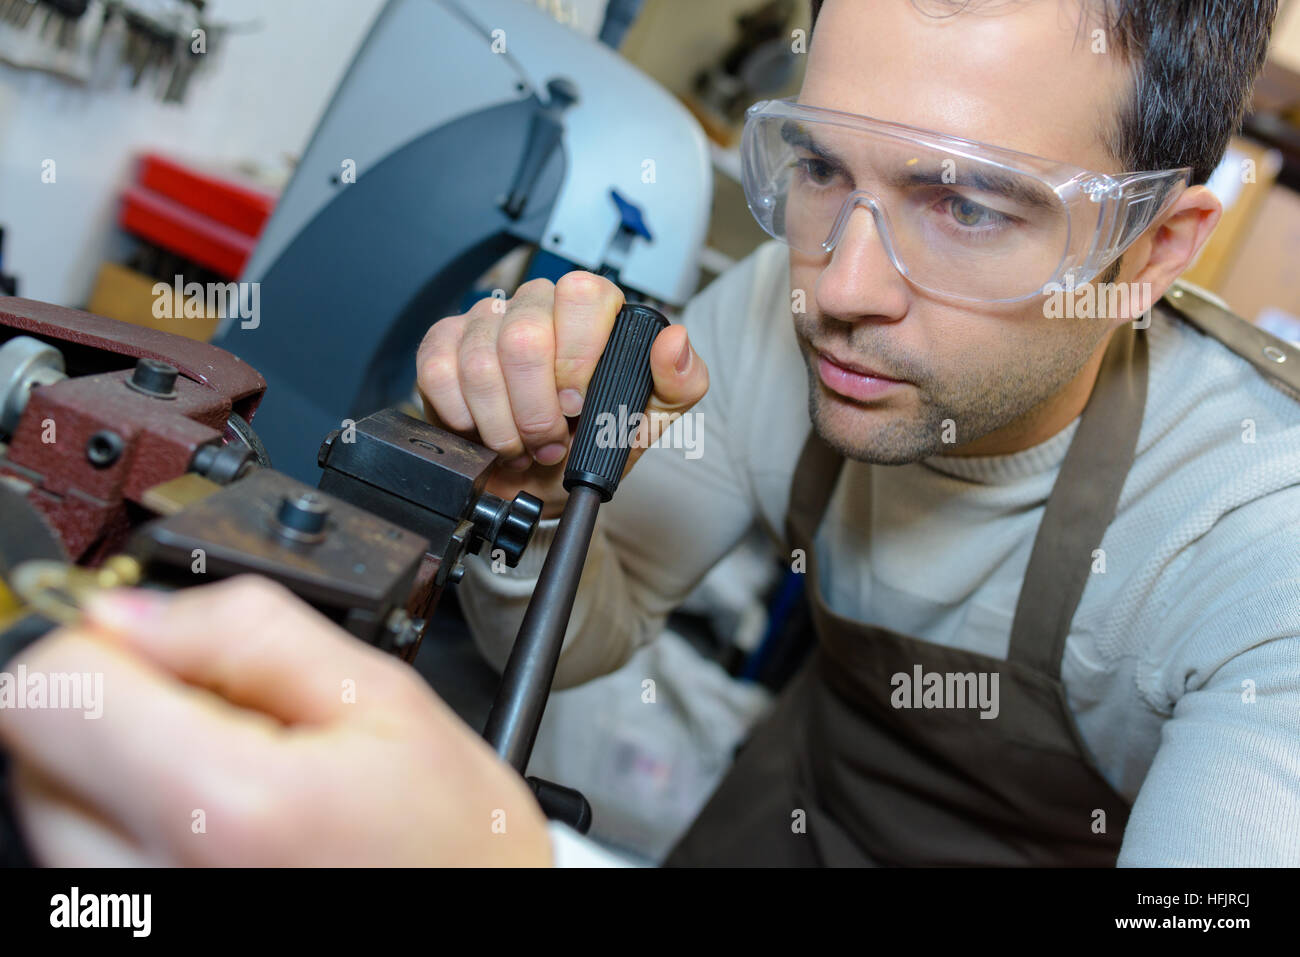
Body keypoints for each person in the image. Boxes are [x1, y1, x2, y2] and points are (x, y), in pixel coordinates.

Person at [3, 0, 1296, 866]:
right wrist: (532, 503)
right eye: (822, 169)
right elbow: (595, 625)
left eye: (963, 204)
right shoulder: (782, 314)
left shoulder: (1259, 545)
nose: (839, 285)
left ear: (1152, 251)